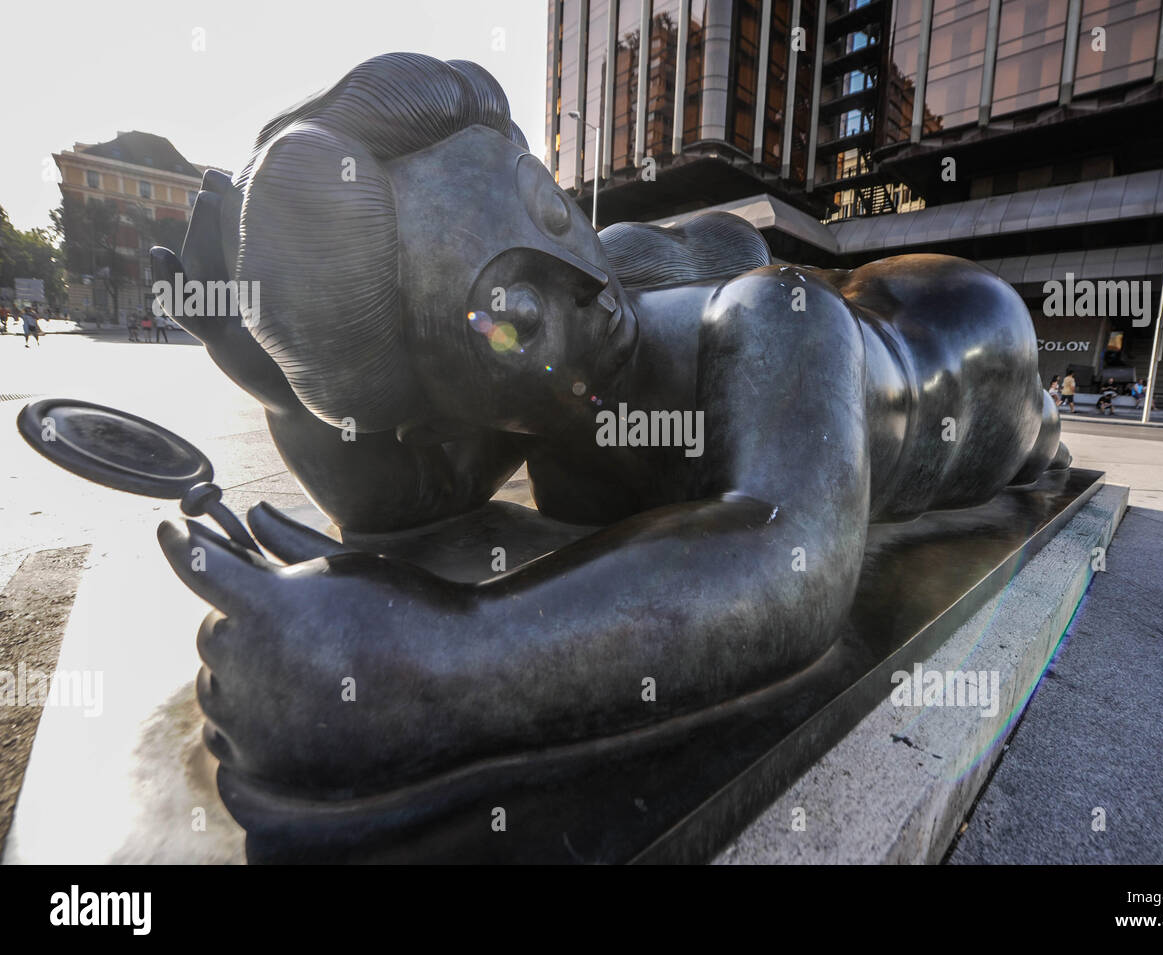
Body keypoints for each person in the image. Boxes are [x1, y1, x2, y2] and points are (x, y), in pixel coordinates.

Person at [150, 52, 1075, 820]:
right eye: (511, 315)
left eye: (549, 209)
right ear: (454, 403)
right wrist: (271, 378)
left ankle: (1045, 429)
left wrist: (442, 661)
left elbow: (790, 561)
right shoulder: (543, 401)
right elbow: (404, 503)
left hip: (965, 332)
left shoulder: (773, 318)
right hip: (829, 319)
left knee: (1023, 433)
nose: (585, 288)